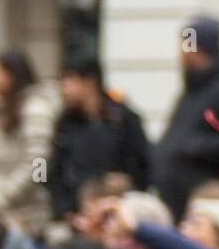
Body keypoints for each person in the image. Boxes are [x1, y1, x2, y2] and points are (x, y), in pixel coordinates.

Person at [152, 17, 219, 220]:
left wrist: (193, 147)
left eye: (187, 45)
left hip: (205, 207)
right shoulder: (191, 93)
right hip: (176, 204)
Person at [48, 58, 150, 220]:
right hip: (78, 214)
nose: (64, 90)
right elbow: (54, 172)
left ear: (89, 83)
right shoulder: (65, 124)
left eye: (69, 81)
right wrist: (65, 211)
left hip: (118, 213)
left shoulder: (123, 119)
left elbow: (144, 163)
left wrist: (130, 188)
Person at [0, 50, 59, 239]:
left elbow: (39, 166)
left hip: (28, 217)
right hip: (1, 214)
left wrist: (4, 196)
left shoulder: (36, 110)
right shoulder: (0, 110)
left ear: (13, 75)